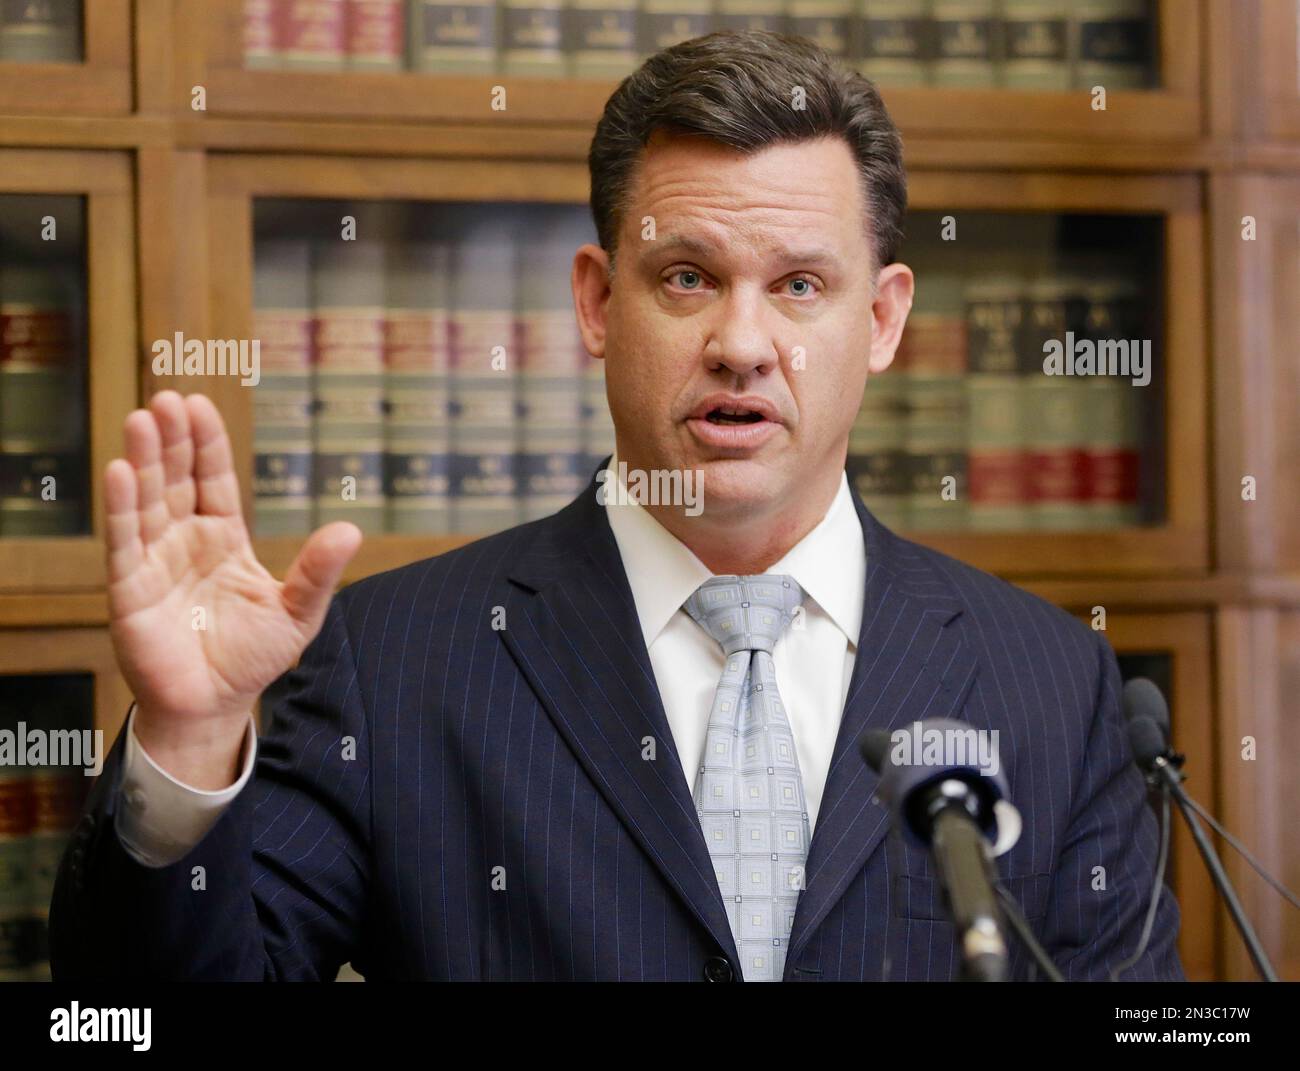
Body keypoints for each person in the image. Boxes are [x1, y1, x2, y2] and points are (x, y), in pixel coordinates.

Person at [50, 30, 1182, 982]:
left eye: (798, 285)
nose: (741, 346)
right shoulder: (388, 665)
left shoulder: (1050, 681)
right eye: (686, 277)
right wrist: (192, 743)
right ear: (598, 301)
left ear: (881, 321)